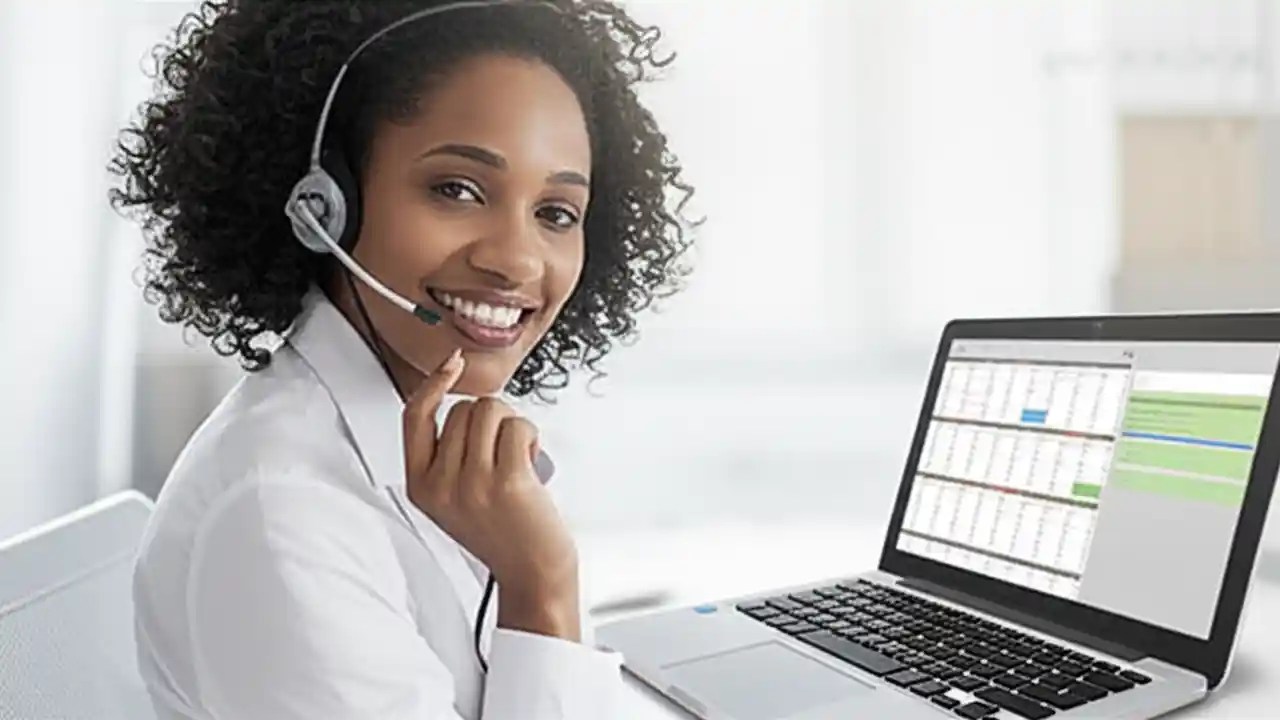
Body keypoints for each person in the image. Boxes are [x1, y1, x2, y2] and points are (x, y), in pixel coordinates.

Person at [107, 1, 696, 718]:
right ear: (324, 205)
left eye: (555, 213)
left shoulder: (441, 438)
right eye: (457, 189)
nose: (516, 260)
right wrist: (541, 584)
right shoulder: (283, 516)